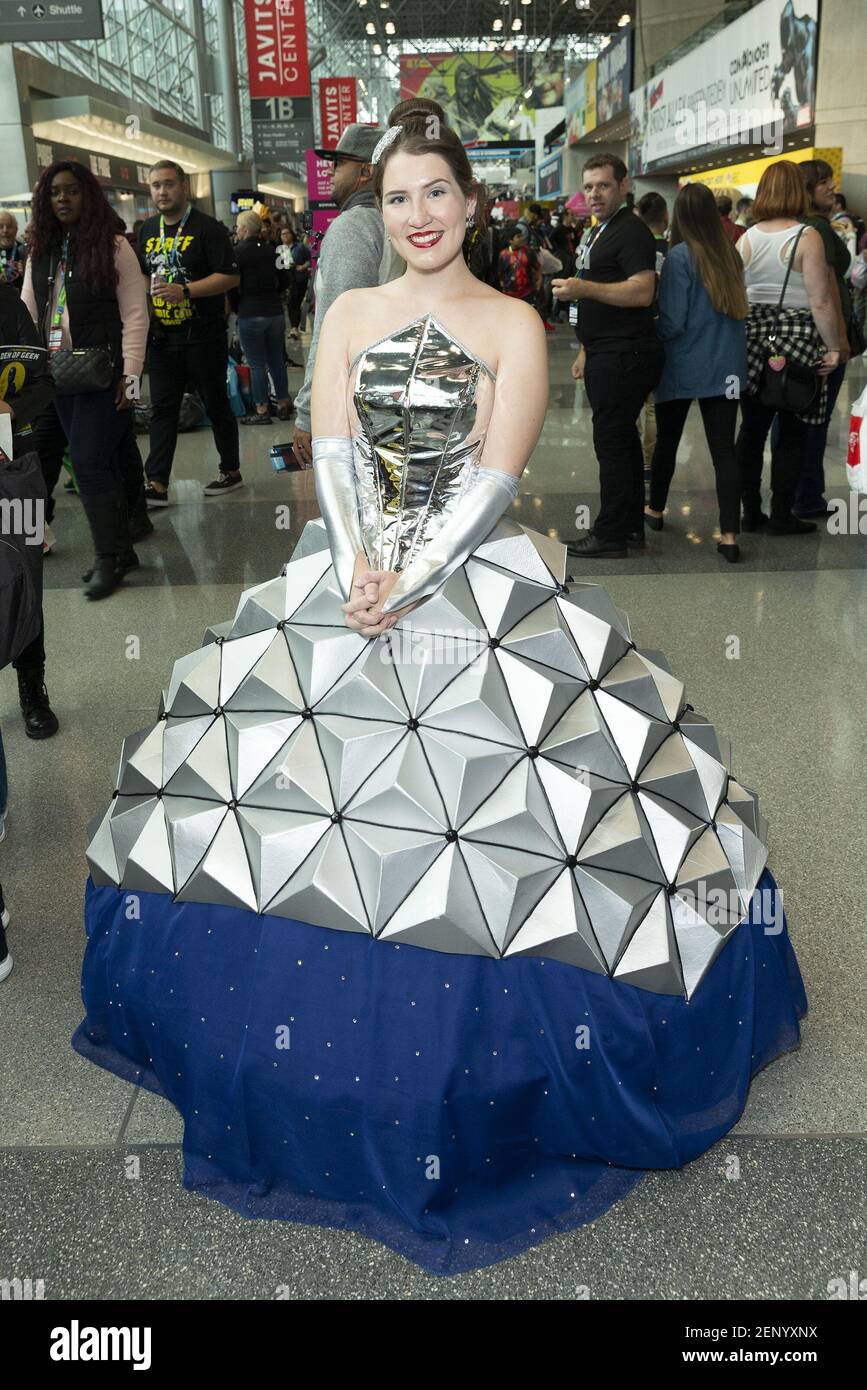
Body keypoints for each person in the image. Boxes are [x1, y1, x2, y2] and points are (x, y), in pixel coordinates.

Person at [75, 108, 806, 1277]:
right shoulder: (350, 311)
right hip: (355, 572)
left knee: (533, 824)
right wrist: (363, 565)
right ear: (379, 210)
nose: (417, 215)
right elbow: (328, 442)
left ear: (472, 203)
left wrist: (408, 576)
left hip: (466, 580)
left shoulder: (514, 319)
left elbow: (502, 471)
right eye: (397, 197)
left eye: (436, 194)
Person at [22, 161, 148, 599]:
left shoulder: (114, 247)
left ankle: (106, 560)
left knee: (91, 462)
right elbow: (30, 314)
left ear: (87, 195)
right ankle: (123, 549)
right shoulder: (41, 252)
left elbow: (135, 315)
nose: (63, 199)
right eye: (55, 192)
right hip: (58, 378)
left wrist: (130, 378)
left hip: (105, 377)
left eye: (72, 191)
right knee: (102, 462)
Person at [553, 153, 663, 558]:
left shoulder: (631, 231)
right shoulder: (601, 230)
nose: (594, 194)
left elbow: (642, 290)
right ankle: (629, 524)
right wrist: (586, 346)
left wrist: (585, 291)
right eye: (588, 187)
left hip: (625, 353)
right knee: (624, 442)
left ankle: (610, 534)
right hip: (608, 350)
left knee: (613, 444)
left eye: (602, 185)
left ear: (623, 185)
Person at [290, 119, 407, 468]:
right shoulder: (393, 222)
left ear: (365, 172)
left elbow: (333, 327)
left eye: (339, 163)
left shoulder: (352, 226)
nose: (330, 172)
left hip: (357, 401)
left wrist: (308, 412)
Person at [735, 160, 841, 533]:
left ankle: (749, 511)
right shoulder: (805, 236)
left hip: (751, 343)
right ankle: (782, 514)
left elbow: (736, 298)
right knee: (793, 432)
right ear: (798, 191)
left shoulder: (745, 238)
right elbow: (821, 301)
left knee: (751, 431)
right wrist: (833, 348)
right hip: (795, 343)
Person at [644, 183, 748, 562]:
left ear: (680, 217)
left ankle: (655, 510)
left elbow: (673, 322)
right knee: (724, 450)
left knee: (667, 442)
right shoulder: (731, 256)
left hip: (683, 365)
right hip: (728, 367)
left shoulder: (680, 257)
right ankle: (730, 534)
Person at [137, 161, 242, 504]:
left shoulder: (207, 228)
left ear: (184, 186)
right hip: (163, 336)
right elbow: (141, 274)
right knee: (162, 409)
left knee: (215, 402)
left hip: (203, 333)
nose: (162, 192)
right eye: (155, 186)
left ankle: (230, 470)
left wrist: (185, 290)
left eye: (168, 184)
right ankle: (157, 483)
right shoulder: (148, 230)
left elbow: (230, 277)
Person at [0, 280, 58, 734]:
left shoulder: (8, 304)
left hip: (13, 466)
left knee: (26, 579)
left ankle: (32, 687)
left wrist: (11, 409)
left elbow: (45, 383)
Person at [789, 160, 855, 518]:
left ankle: (796, 490)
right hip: (823, 337)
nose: (832, 187)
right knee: (815, 419)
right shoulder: (816, 228)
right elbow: (827, 289)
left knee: (798, 417)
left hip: (800, 337)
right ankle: (807, 495)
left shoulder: (797, 225)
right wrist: (840, 343)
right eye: (824, 182)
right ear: (809, 189)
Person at [230, 210, 293, 426]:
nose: (236, 230)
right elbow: (285, 280)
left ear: (245, 229)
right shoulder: (274, 252)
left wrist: (236, 307)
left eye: (238, 227)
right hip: (275, 313)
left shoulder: (236, 253)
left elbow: (231, 286)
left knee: (256, 364)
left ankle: (261, 408)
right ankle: (283, 404)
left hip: (250, 311)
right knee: (276, 360)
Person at [635, 192, 669, 471]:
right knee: (655, 406)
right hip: (664, 331)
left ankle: (633, 461)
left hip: (634, 331)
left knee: (632, 405)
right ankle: (650, 464)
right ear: (665, 217)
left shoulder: (633, 247)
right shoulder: (674, 250)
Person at [278, 227, 311, 339]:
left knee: (296, 303)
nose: (285, 235)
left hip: (300, 279)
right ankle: (294, 328)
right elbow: (278, 265)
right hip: (287, 280)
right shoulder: (279, 249)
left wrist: (303, 266)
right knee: (290, 303)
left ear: (291, 234)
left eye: (287, 233)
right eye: (283, 234)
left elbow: (310, 259)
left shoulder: (300, 247)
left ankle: (295, 327)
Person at [497, 225, 540, 303]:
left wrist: (539, 280)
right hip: (510, 293)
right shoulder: (503, 254)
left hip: (527, 293)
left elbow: (537, 267)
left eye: (522, 236)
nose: (522, 238)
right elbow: (500, 273)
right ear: (511, 240)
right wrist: (503, 286)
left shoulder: (528, 251)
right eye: (518, 237)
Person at [0, 213, 26, 290]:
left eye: (9, 226)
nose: (5, 230)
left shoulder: (25, 252)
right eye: (1, 227)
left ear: (16, 229)